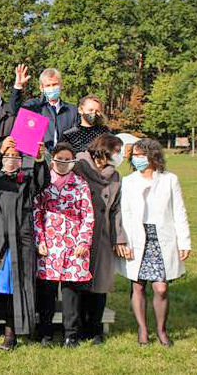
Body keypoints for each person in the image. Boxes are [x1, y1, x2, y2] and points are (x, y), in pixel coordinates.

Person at [0, 137, 48, 350]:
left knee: (12, 287)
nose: (11, 159)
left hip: (18, 239)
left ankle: (10, 334)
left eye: (15, 157)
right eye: (7, 156)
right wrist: (1, 149)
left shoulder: (26, 180)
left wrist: (39, 158)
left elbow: (42, 182)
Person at [117, 138, 190, 346]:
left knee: (161, 288)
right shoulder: (128, 181)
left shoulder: (169, 180)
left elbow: (179, 211)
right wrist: (123, 241)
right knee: (138, 285)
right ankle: (142, 329)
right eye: (135, 155)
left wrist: (184, 242)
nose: (137, 159)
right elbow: (124, 213)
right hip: (136, 237)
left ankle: (161, 330)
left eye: (142, 155)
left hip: (161, 238)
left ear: (153, 155)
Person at [34, 142, 95, 346]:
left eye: (68, 160)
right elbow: (37, 212)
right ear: (53, 159)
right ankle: (45, 332)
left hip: (74, 244)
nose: (63, 163)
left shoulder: (80, 183)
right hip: (49, 244)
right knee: (47, 293)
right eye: (60, 159)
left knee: (71, 293)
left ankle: (71, 334)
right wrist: (39, 239)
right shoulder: (44, 181)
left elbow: (88, 215)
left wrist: (84, 241)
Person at [72, 134, 124, 344]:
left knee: (101, 283)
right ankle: (79, 327)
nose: (119, 155)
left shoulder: (115, 176)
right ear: (105, 149)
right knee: (80, 281)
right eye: (117, 150)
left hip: (103, 235)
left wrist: (118, 238)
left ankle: (95, 328)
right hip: (81, 234)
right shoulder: (79, 167)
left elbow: (117, 210)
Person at [10, 65, 77, 148]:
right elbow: (14, 110)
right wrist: (18, 86)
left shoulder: (72, 110)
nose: (52, 88)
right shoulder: (34, 106)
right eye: (48, 85)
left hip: (63, 157)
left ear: (61, 86)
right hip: (40, 157)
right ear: (41, 88)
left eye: (55, 84)